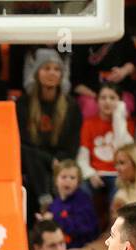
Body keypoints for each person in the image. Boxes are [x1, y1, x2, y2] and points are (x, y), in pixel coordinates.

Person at [17, 52, 83, 218]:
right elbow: (23, 141)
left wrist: (58, 161)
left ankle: (45, 201)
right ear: (37, 73)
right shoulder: (23, 103)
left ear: (62, 75)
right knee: (28, 153)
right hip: (32, 159)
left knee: (44, 170)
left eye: (56, 69)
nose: (52, 73)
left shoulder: (71, 105)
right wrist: (49, 160)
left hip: (60, 160)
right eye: (46, 68)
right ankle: (44, 198)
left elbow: (72, 143)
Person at [76, 83, 132, 207]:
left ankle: (115, 226)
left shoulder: (127, 124)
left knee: (119, 195)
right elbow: (82, 156)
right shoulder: (88, 124)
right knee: (82, 189)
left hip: (118, 174)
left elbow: (124, 149)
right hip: (95, 173)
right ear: (97, 101)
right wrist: (90, 174)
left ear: (120, 102)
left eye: (112, 98)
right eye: (103, 98)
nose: (107, 102)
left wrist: (118, 117)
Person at [70, 35, 136, 119]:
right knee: (90, 107)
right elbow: (75, 81)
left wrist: (123, 71)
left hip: (120, 90)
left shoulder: (120, 33)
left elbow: (132, 61)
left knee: (123, 106)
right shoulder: (81, 39)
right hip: (89, 92)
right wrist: (98, 97)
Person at [47, 159, 97, 250]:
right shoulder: (54, 204)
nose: (68, 181)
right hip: (59, 249)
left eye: (72, 178)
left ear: (78, 182)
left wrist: (54, 218)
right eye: (64, 177)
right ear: (55, 180)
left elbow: (83, 228)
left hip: (80, 249)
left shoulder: (83, 201)